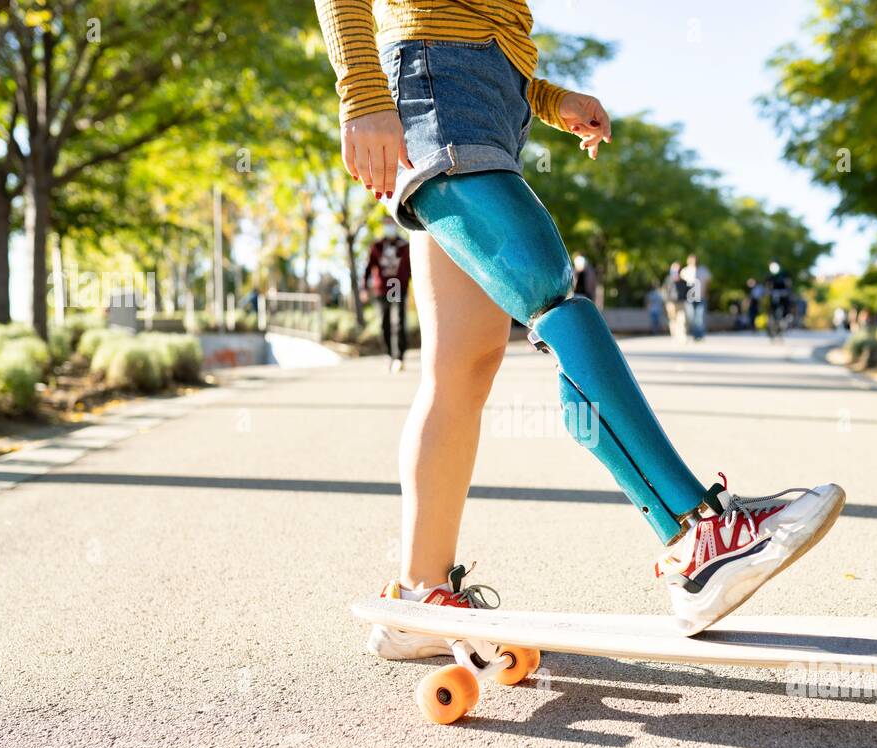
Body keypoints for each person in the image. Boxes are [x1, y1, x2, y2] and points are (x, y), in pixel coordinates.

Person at [316, 0, 844, 655]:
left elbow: (489, 20)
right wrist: (364, 94)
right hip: (430, 87)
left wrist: (544, 97)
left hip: (486, 98)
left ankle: (419, 595)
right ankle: (695, 536)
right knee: (548, 289)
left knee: (463, 362)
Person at [364, 218, 413, 372]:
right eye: (387, 224)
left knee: (399, 321)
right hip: (382, 289)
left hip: (398, 287)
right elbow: (368, 268)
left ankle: (399, 357)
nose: (389, 227)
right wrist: (364, 287)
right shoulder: (377, 246)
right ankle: (389, 355)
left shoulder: (404, 246)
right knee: (384, 324)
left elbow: (413, 267)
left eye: (392, 224)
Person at [682, 254, 710, 340]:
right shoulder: (685, 271)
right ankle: (695, 334)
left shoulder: (703, 270)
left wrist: (707, 292)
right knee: (691, 316)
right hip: (689, 297)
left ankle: (700, 335)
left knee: (700, 316)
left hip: (701, 296)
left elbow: (708, 282)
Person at [664, 260, 689, 343]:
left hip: (681, 302)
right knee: (673, 320)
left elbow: (687, 291)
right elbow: (665, 291)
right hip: (671, 303)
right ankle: (674, 336)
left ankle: (682, 336)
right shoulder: (668, 280)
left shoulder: (683, 281)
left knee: (682, 319)